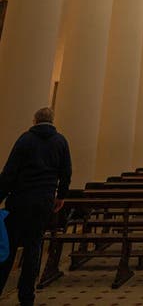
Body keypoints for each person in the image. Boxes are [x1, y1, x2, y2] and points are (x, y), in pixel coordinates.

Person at [0, 107, 72, 306]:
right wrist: (61, 196)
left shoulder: (25, 139)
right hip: (44, 201)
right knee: (34, 247)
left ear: (34, 120)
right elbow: (66, 172)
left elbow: (9, 173)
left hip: (20, 200)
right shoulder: (61, 141)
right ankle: (27, 297)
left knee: (8, 247)